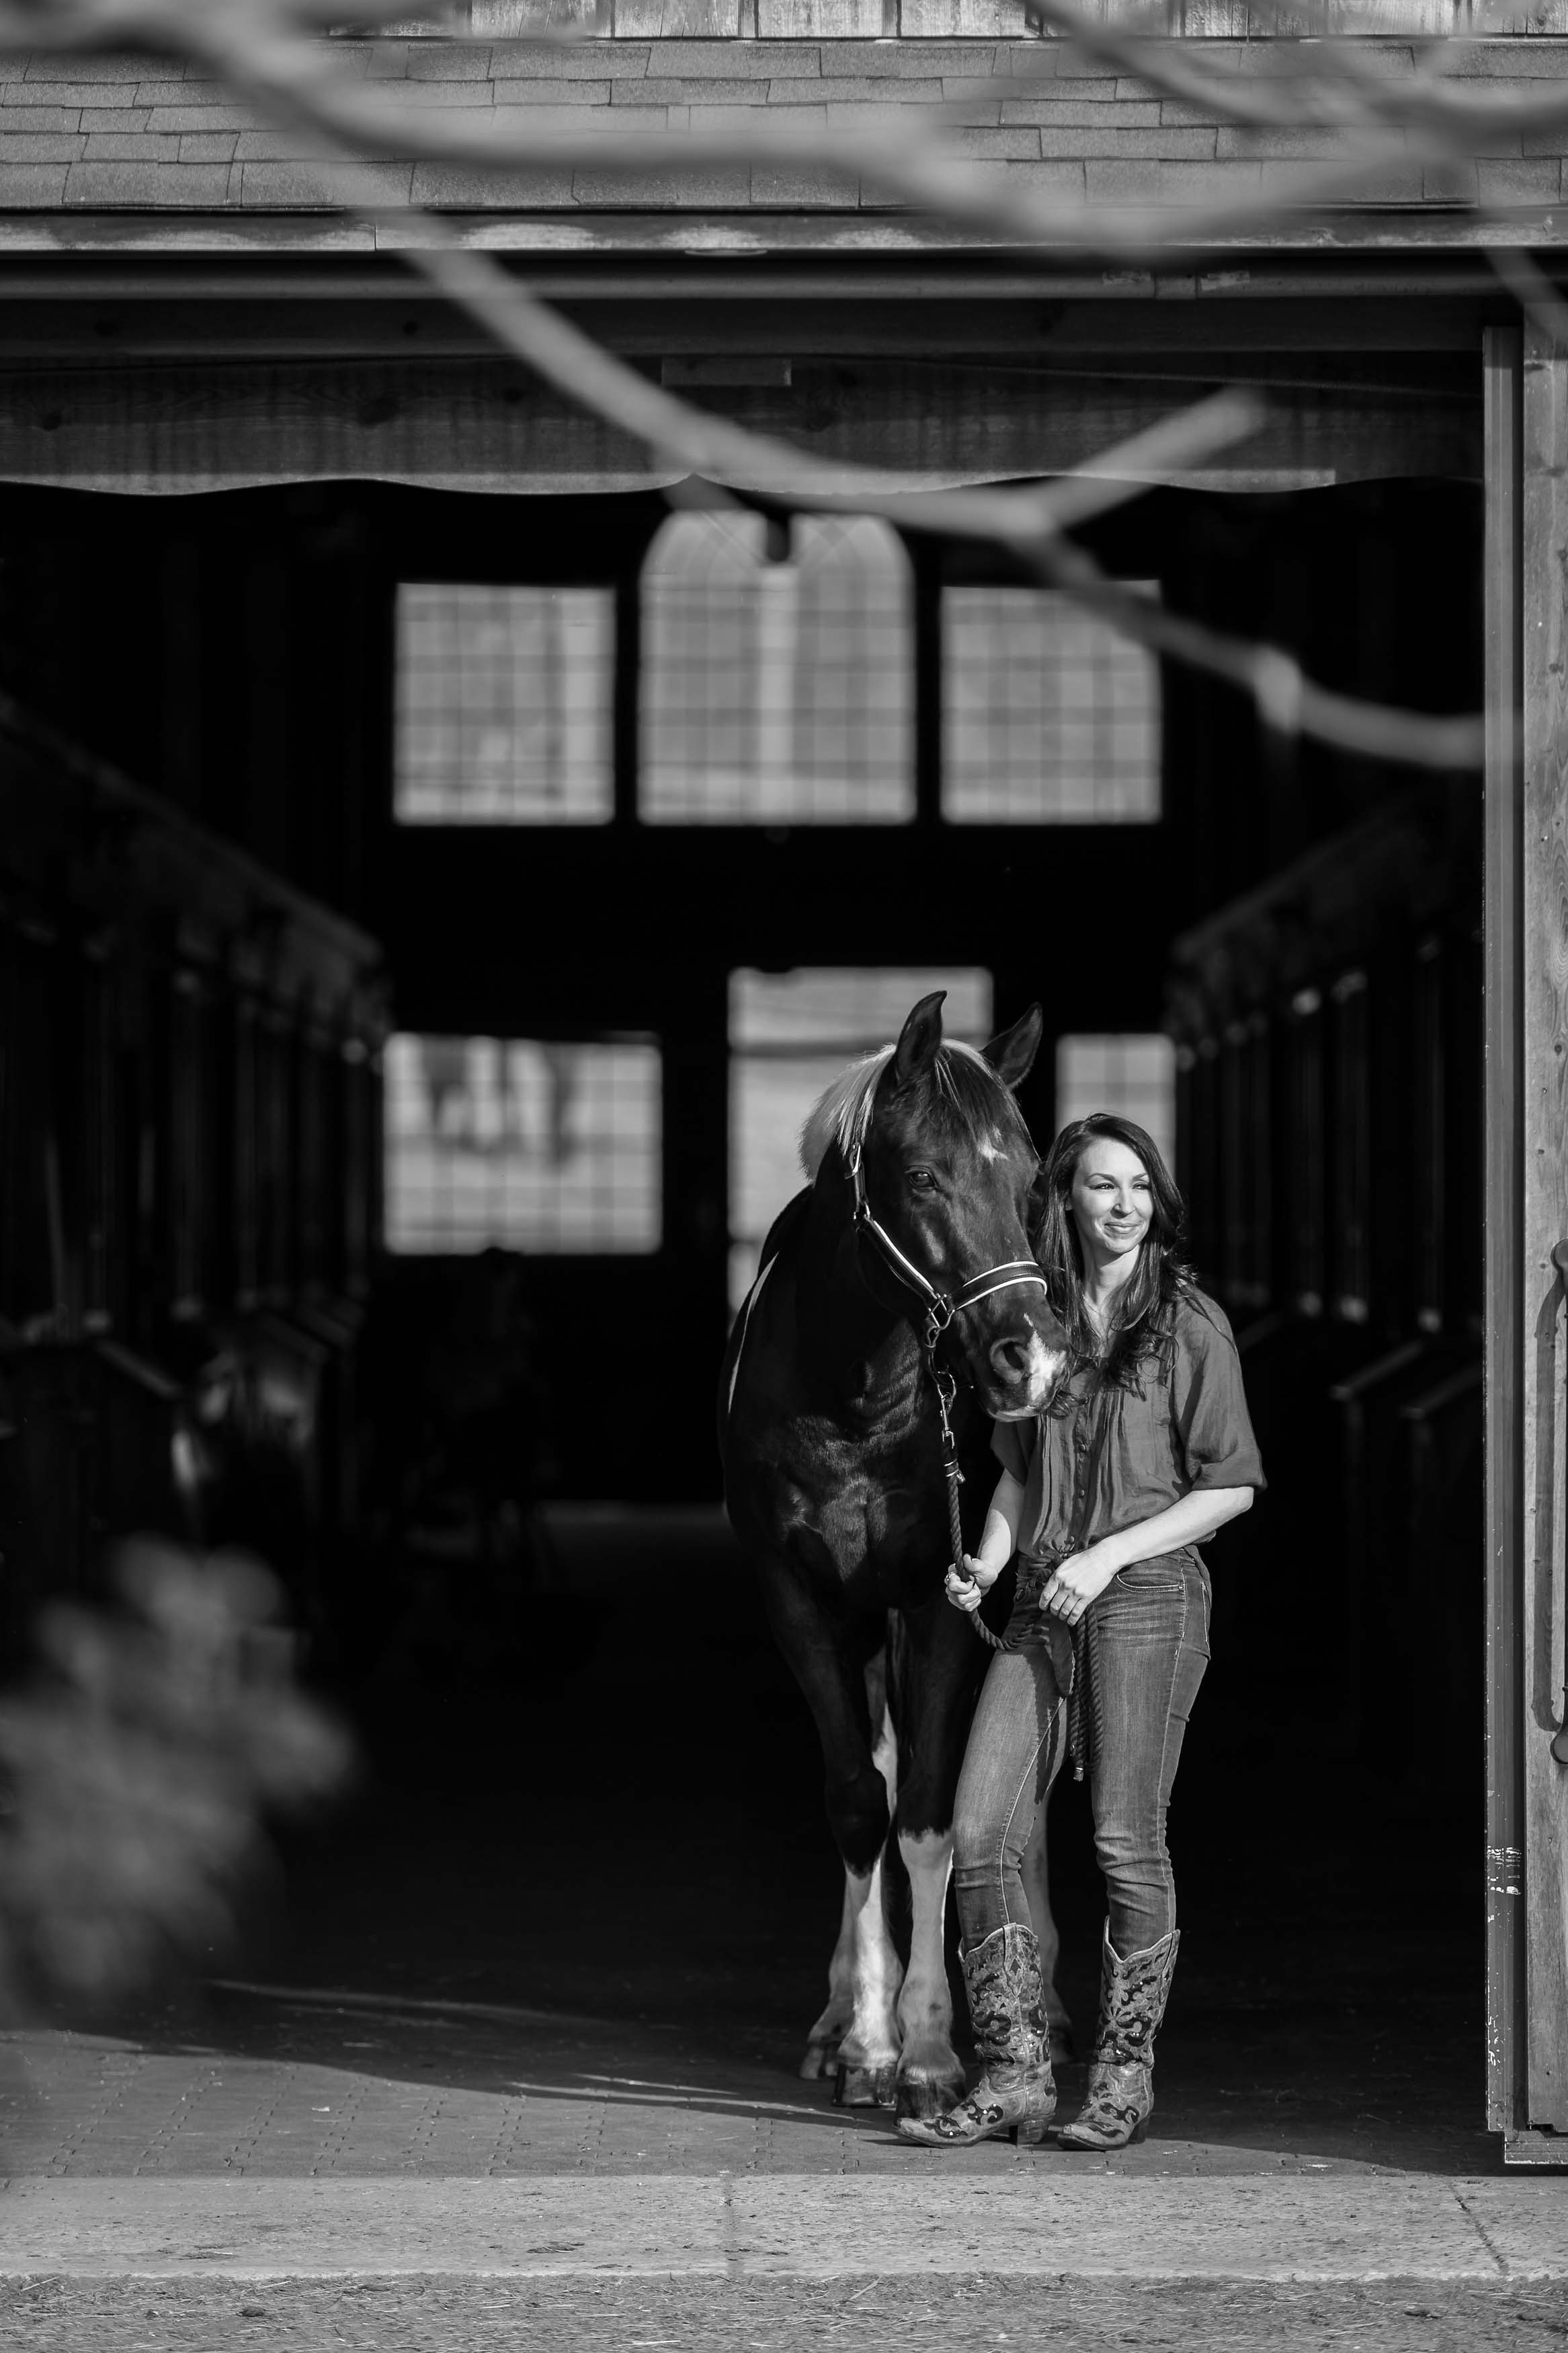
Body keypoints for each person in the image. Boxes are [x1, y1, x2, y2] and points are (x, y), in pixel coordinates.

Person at [899, 1112, 1265, 2152]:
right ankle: (1014, 2071)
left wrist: (1107, 1556)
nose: (1123, 1205)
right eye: (1103, 1186)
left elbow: (1229, 1488)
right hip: (1038, 1608)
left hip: (1146, 1600)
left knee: (1122, 1841)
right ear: (1062, 1198)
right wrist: (984, 1564)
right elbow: (1017, 1469)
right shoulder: (1039, 1322)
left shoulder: (1189, 1322)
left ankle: (1120, 2075)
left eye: (1139, 1187)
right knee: (980, 1833)